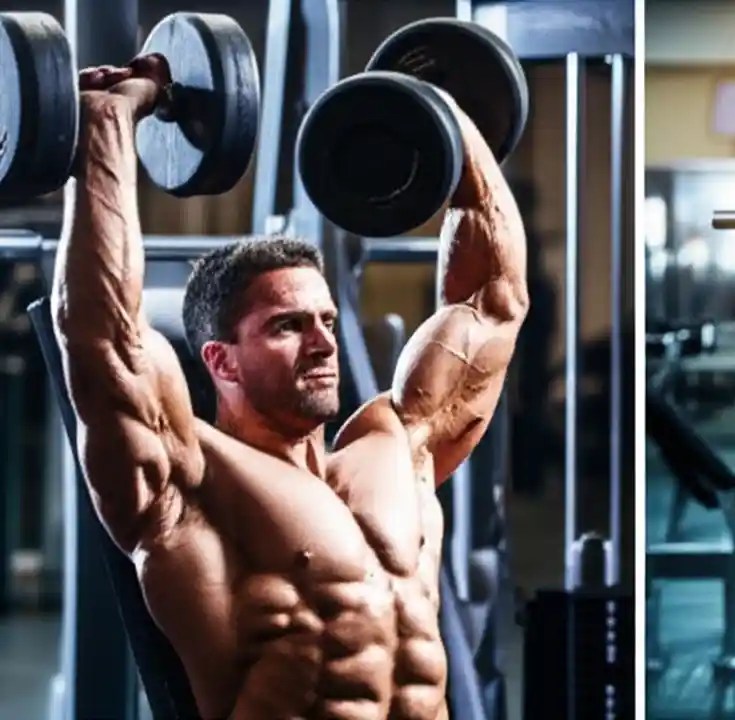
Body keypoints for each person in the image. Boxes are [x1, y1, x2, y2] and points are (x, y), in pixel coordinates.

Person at [52, 55, 527, 719]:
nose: (323, 342)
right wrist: (105, 125)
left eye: (327, 320)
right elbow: (103, 340)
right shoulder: (190, 490)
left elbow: (491, 299)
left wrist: (444, 112)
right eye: (288, 326)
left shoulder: (397, 448)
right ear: (222, 361)